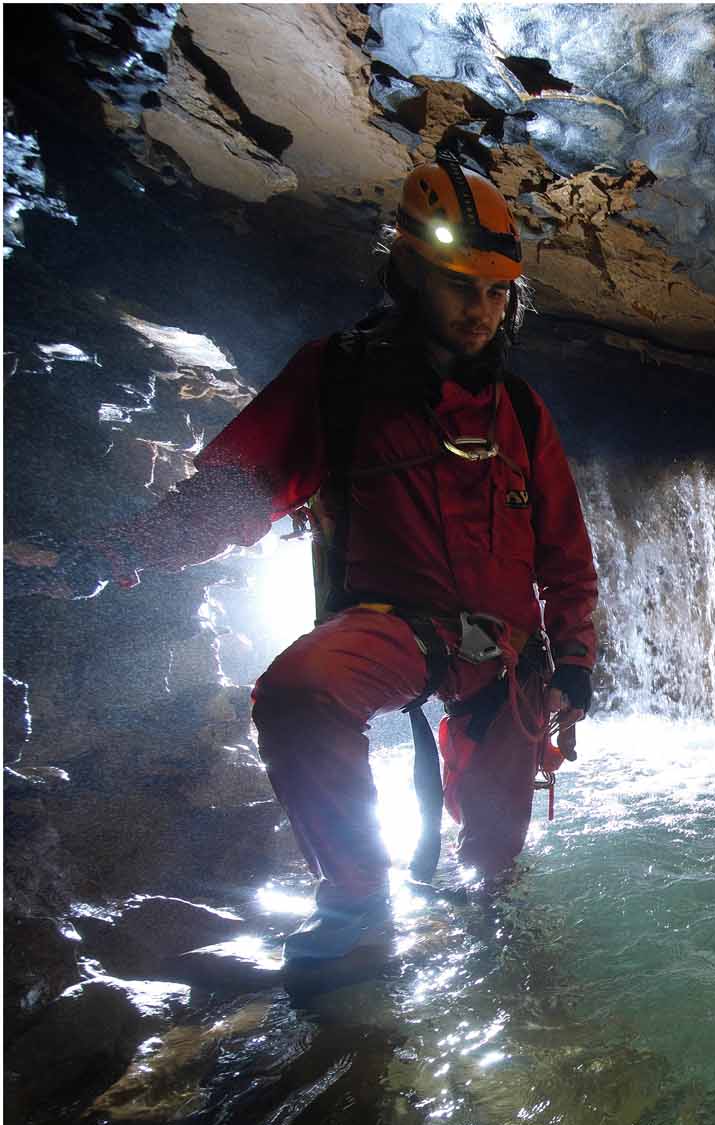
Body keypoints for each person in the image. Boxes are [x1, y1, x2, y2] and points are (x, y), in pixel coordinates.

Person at [5, 157, 600, 961]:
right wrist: (105, 555)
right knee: (296, 694)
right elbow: (232, 496)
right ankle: (358, 909)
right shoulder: (341, 377)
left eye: (498, 292)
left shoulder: (520, 413)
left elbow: (565, 554)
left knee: (494, 874)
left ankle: (498, 962)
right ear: (412, 273)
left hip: (506, 662)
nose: (482, 310)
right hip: (398, 629)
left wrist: (574, 663)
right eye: (463, 285)